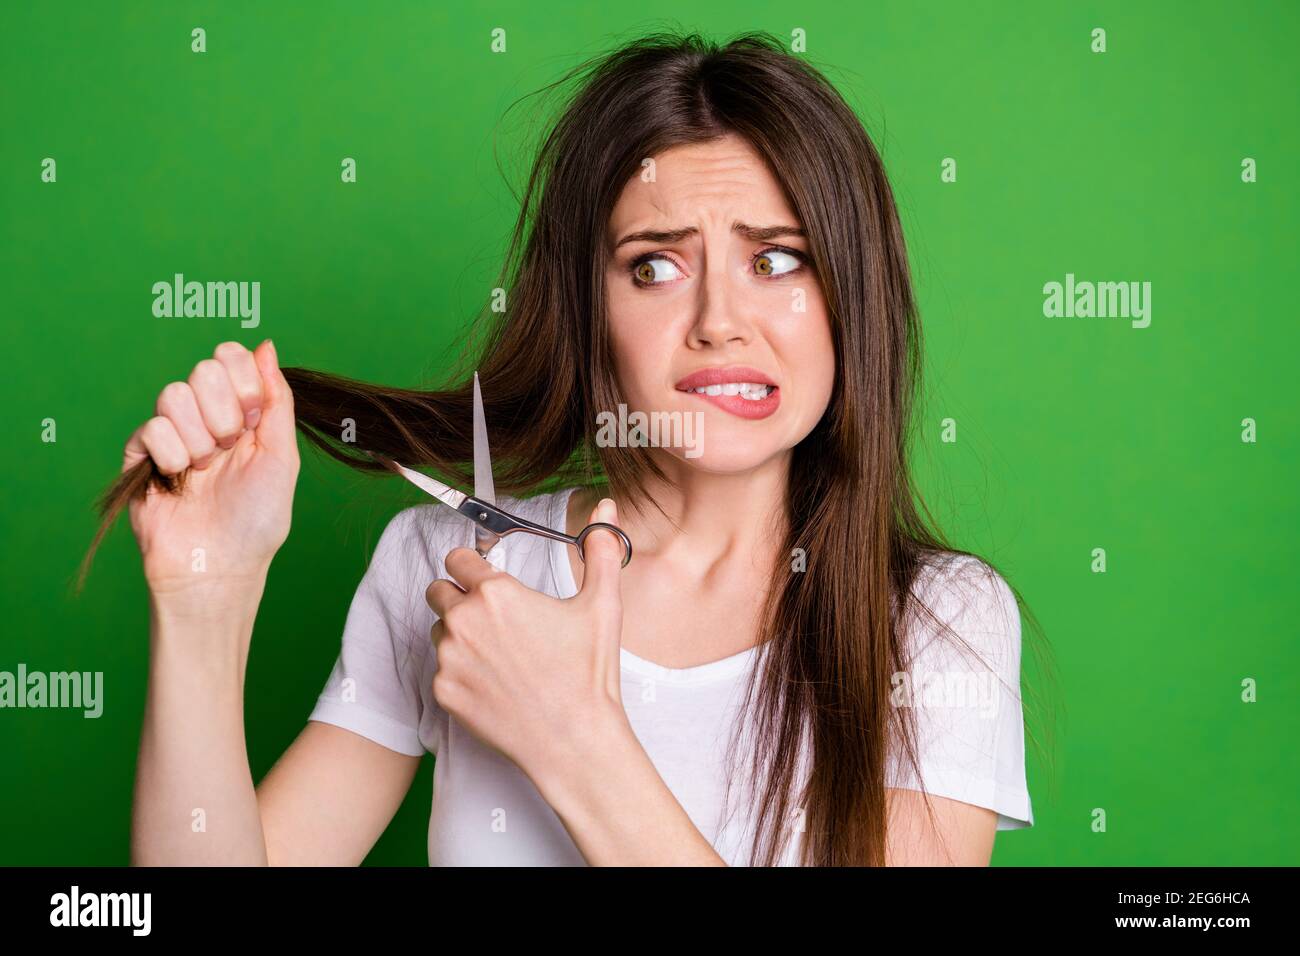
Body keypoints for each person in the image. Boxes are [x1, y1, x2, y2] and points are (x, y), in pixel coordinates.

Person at [99, 31, 1037, 866]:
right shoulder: (449, 566)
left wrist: (572, 734)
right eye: (655, 266)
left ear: (850, 299)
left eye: (776, 259)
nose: (719, 321)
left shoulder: (939, 623)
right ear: (589, 312)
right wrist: (203, 598)